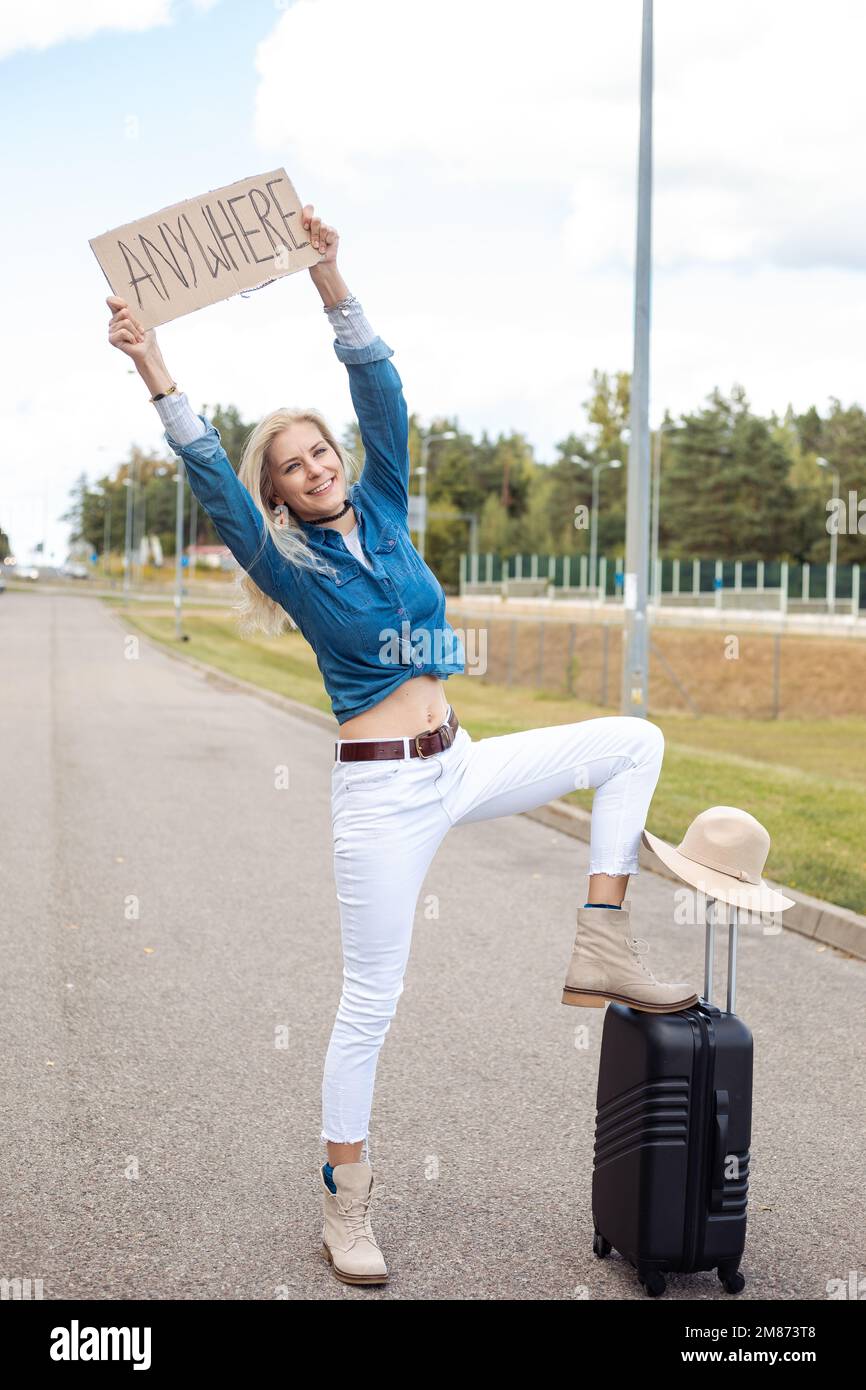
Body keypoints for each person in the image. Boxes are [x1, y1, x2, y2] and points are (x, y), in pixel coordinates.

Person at [106, 203, 698, 1289]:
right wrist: (154, 363)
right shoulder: (287, 567)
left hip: (458, 761)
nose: (314, 466)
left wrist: (330, 278)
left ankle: (601, 936)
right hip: (380, 798)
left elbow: (382, 388)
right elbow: (205, 472)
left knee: (631, 740)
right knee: (370, 1001)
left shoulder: (385, 506)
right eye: (290, 464)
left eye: (319, 449)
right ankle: (347, 1198)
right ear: (277, 489)